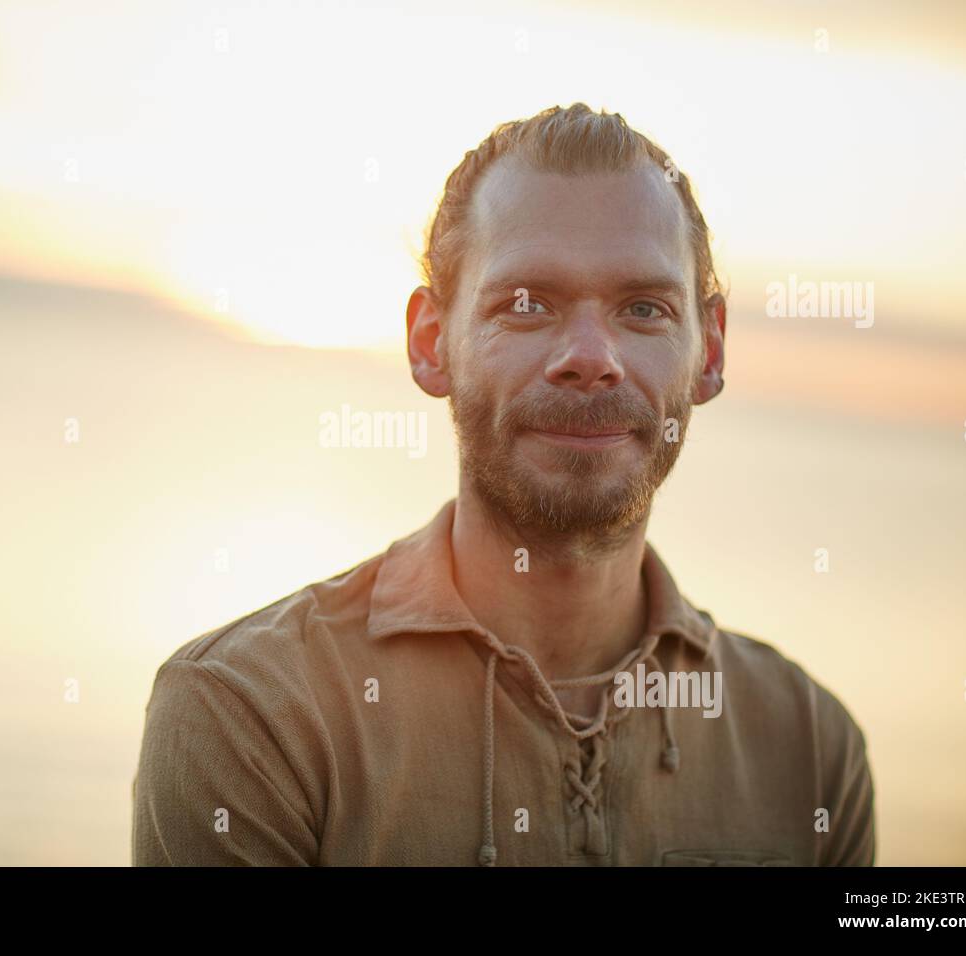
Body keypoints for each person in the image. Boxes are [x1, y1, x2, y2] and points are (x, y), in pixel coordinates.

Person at [132, 103, 877, 866]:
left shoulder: (810, 750)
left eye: (644, 309)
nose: (591, 356)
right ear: (431, 343)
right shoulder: (253, 711)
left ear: (709, 351)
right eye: (527, 305)